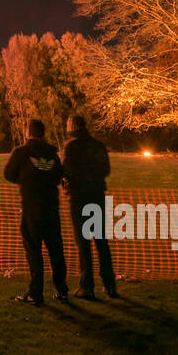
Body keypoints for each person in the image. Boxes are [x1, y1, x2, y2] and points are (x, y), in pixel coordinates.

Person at [3, 118, 67, 305]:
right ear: (43, 133)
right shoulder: (52, 153)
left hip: (31, 207)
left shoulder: (21, 152)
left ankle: (36, 293)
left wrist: (25, 181)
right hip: (51, 206)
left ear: (27, 132)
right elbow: (58, 176)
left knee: (33, 250)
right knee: (56, 250)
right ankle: (62, 290)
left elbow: (8, 173)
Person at [60, 114, 119, 300]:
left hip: (79, 198)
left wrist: (68, 182)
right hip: (97, 196)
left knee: (83, 243)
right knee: (101, 242)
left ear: (72, 127)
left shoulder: (71, 146)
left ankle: (87, 285)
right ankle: (110, 284)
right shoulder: (97, 145)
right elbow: (106, 170)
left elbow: (66, 170)